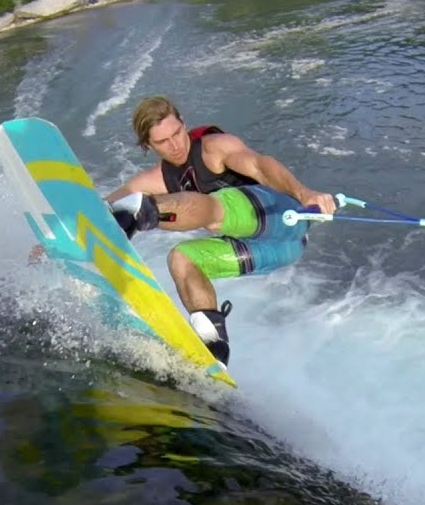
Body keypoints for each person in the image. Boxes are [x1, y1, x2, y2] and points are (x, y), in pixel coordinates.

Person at [103, 95, 337, 368]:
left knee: (214, 211)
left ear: (184, 123)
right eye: (162, 142)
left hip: (282, 217)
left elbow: (261, 166)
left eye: (177, 133)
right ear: (147, 145)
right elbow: (100, 208)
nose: (175, 145)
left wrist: (305, 193)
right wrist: (52, 239)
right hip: (278, 251)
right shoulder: (154, 179)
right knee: (181, 258)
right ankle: (213, 344)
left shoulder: (214, 148)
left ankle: (143, 213)